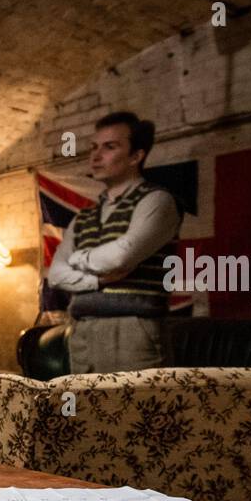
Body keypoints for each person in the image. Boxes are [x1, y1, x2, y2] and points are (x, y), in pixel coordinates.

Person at [47, 110, 183, 373]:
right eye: (94, 147)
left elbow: (121, 256)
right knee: (86, 411)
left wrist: (78, 259)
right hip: (83, 327)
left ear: (136, 156)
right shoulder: (84, 217)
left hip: (134, 328)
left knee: (136, 412)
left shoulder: (157, 201)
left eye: (110, 147)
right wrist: (97, 280)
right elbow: (55, 275)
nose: (96, 156)